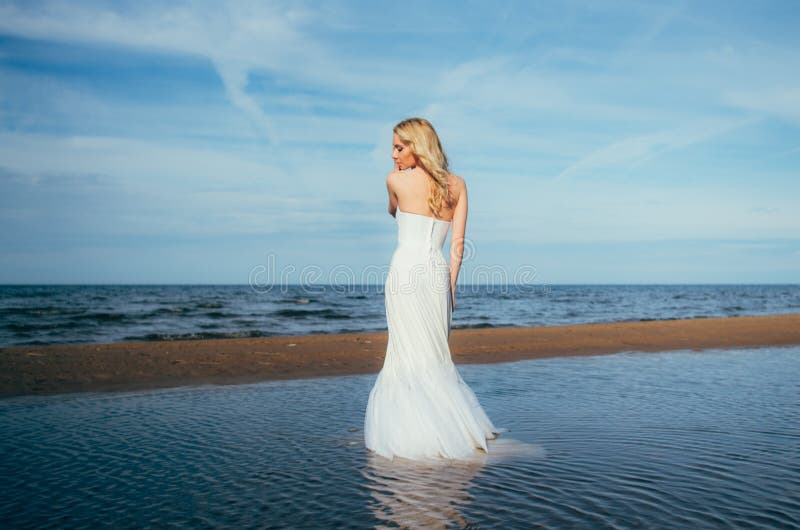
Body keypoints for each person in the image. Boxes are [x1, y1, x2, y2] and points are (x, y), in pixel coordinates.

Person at [364, 117, 500, 461]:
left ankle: (410, 433)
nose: (393, 155)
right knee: (434, 354)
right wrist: (451, 286)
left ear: (418, 146)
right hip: (437, 273)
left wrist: (398, 191)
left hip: (405, 271)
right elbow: (458, 245)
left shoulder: (395, 180)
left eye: (399, 147)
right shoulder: (458, 185)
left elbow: (392, 211)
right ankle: (448, 429)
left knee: (405, 353)